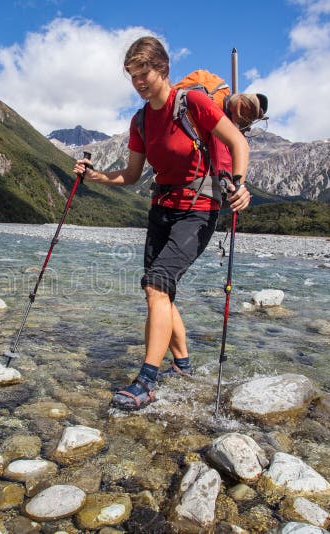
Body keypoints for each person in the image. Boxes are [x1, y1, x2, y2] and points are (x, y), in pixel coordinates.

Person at [73, 36, 251, 411]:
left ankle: (146, 381)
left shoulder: (192, 103)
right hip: (161, 209)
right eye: (132, 75)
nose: (138, 81)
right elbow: (133, 175)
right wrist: (97, 177)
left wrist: (240, 183)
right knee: (161, 292)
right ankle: (183, 365)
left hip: (199, 208)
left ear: (163, 69)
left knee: (156, 284)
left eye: (144, 72)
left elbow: (238, 142)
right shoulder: (140, 120)